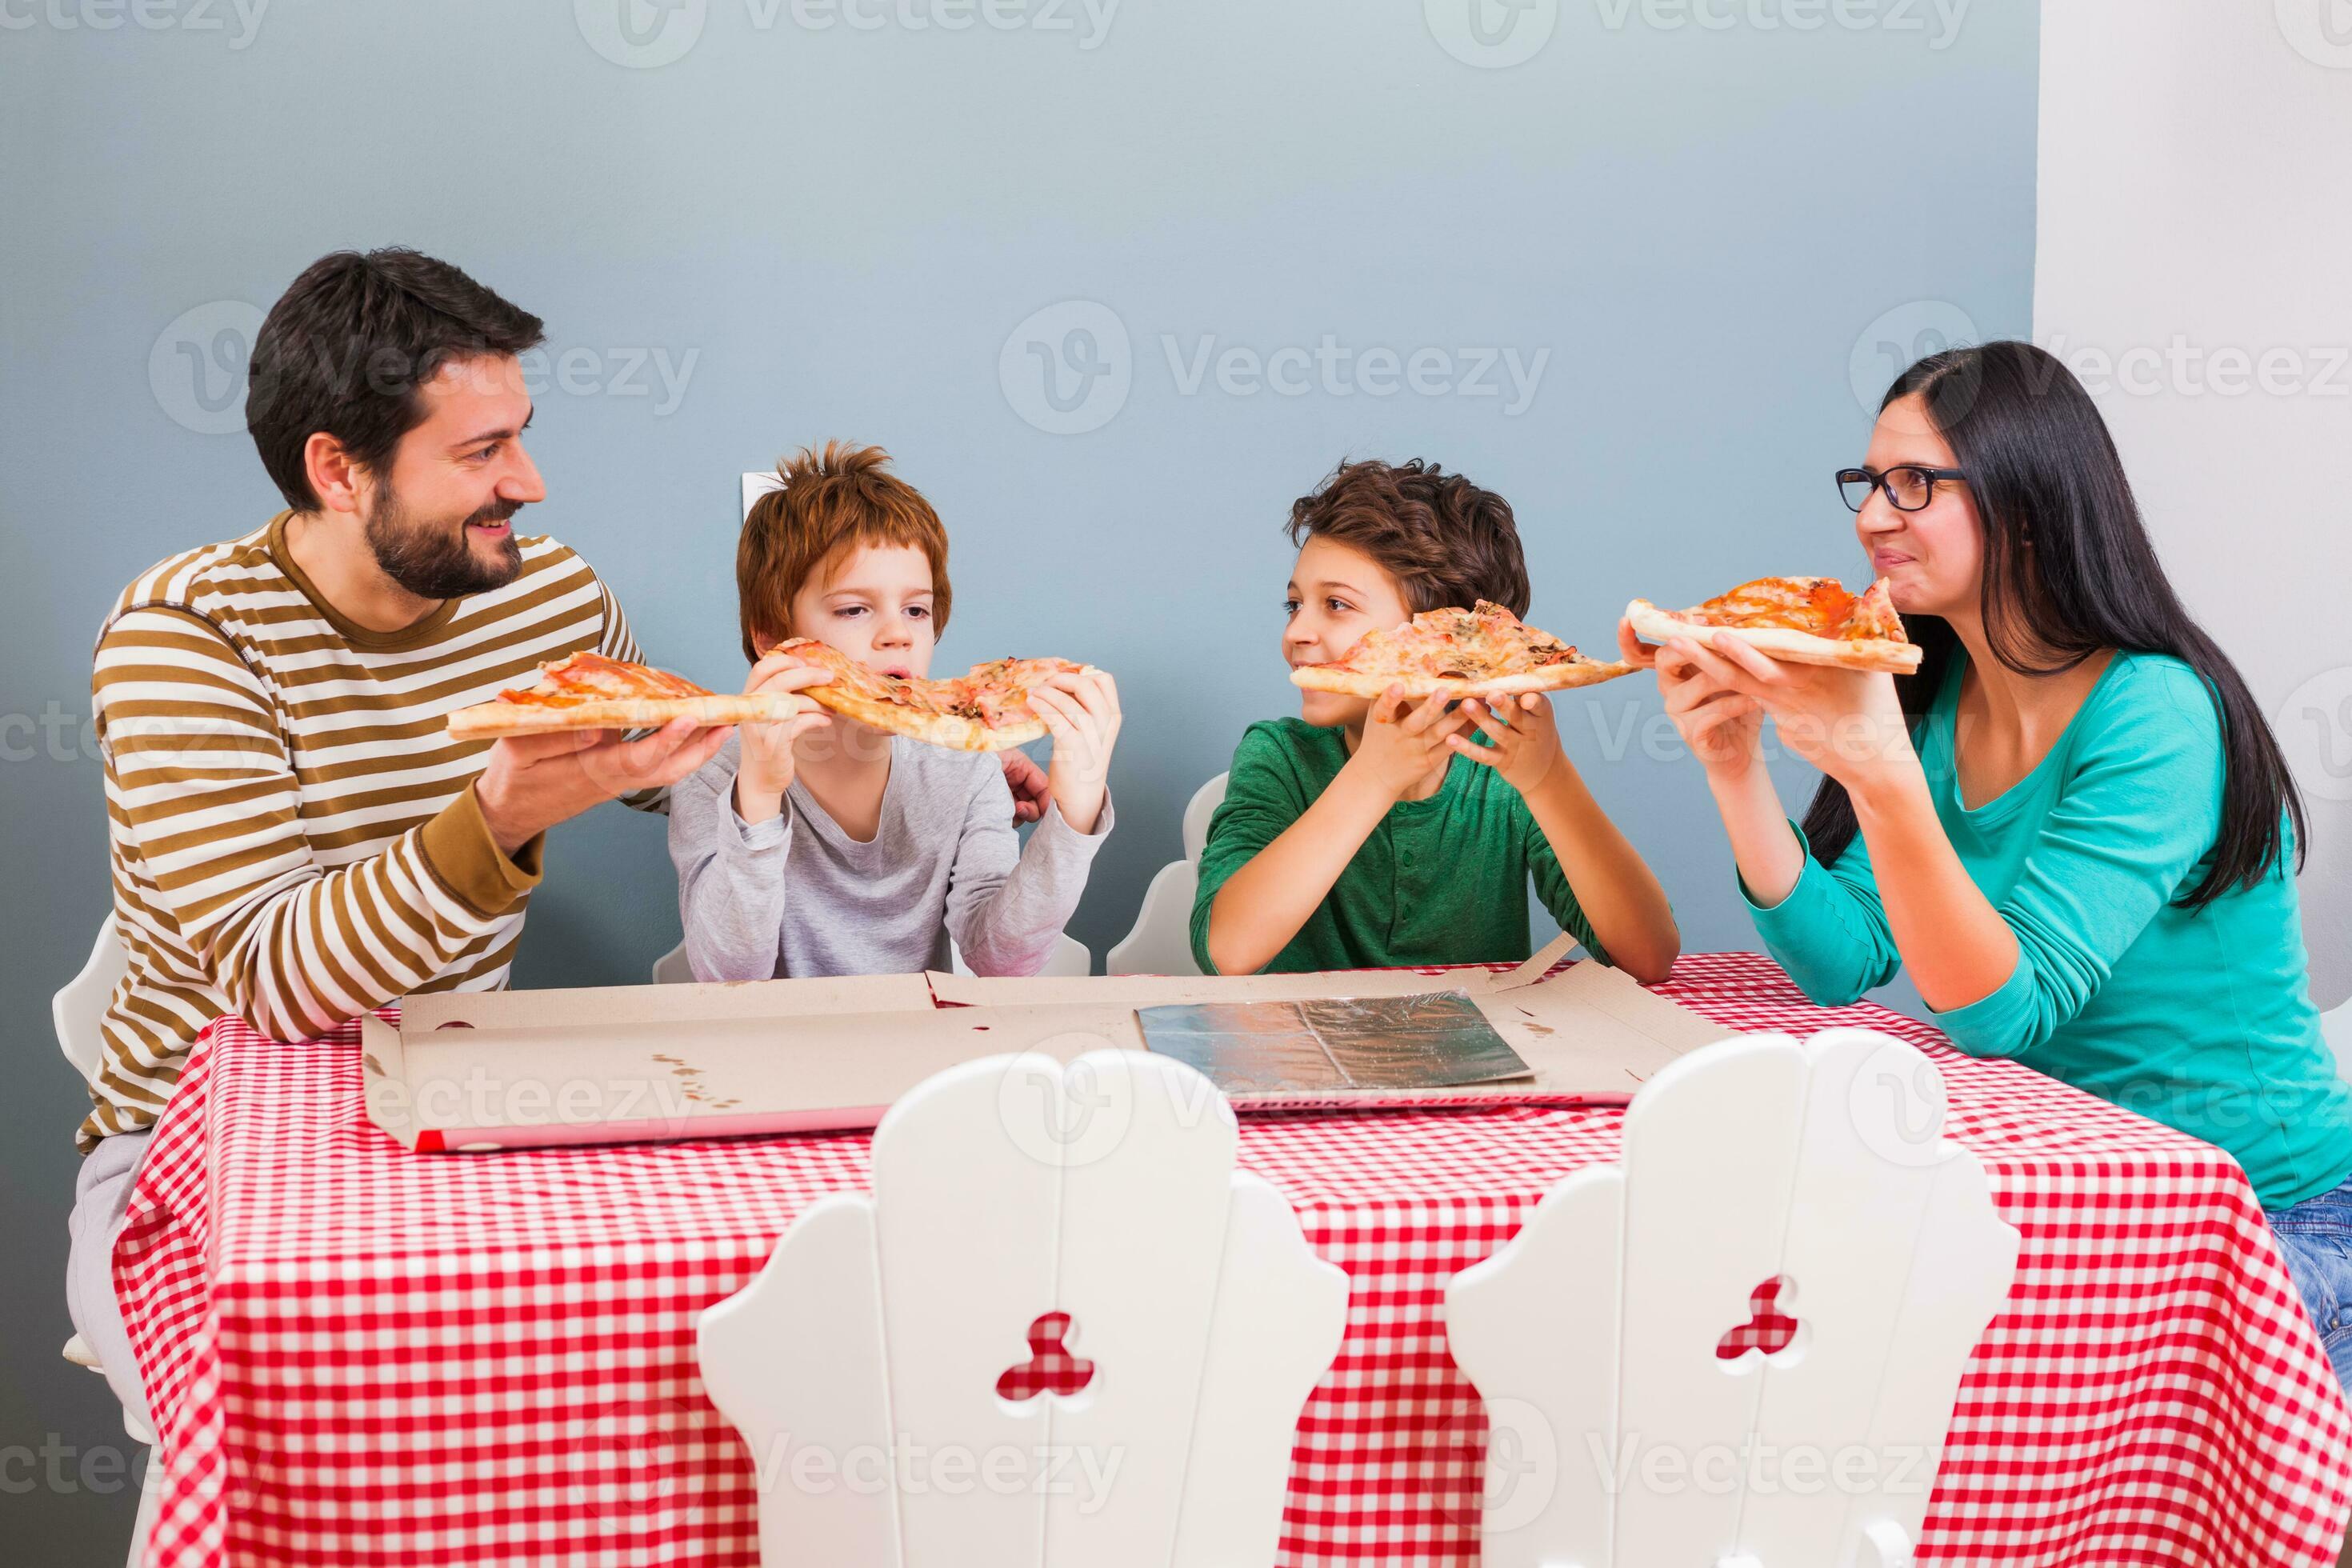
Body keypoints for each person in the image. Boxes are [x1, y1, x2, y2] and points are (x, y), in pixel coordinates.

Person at [72, 249, 733, 1426]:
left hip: (463, 1111)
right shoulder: (187, 637)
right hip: (195, 1148)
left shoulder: (545, 595)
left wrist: (883, 756)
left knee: (654, 1379)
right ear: (337, 469)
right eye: (480, 453)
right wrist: (500, 819)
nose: (528, 483)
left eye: (520, 435)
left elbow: (684, 772)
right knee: (323, 1441)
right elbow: (278, 983)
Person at [1623, 341, 2352, 1387]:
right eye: (1869, 485)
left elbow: (2007, 1013)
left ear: (2026, 500)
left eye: (1914, 484)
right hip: (2074, 1183)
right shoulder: (1940, 694)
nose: (1874, 517)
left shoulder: (2156, 711)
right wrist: (1734, 769)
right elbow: (1845, 960)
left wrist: (1879, 776)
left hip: (2262, 1213)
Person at [1192, 458, 1680, 981]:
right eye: (1294, 605)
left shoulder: (1505, 772)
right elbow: (1228, 951)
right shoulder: (1279, 757)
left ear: (1447, 637)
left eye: (1335, 604)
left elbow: (1648, 956)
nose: (1298, 632)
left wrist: (1550, 779)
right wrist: (1373, 778)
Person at [668, 442, 1119, 979]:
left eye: (916, 609)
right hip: (771, 1051)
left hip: (923, 1049)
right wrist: (759, 797)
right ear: (774, 639)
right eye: (854, 609)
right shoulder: (712, 774)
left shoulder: (967, 768)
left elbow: (1000, 961)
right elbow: (730, 978)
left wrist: (1075, 810)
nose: (898, 634)